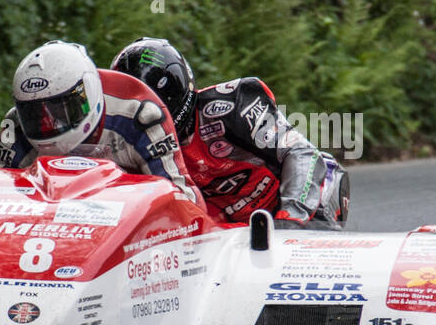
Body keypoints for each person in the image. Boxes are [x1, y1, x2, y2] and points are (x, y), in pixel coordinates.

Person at [110, 37, 349, 228]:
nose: (141, 117)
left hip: (286, 210)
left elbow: (301, 153)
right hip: (222, 232)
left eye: (146, 106)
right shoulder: (123, 143)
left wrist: (289, 221)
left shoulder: (232, 104)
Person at [0, 40, 201, 204]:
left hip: (128, 225)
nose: (48, 123)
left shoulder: (140, 116)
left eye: (59, 110)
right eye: (34, 114)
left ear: (88, 93)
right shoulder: (15, 126)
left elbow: (184, 199)